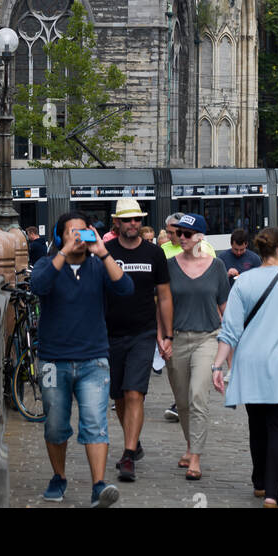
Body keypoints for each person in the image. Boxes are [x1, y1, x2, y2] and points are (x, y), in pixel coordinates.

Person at [31, 209, 134, 507]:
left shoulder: (99, 266)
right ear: (59, 236)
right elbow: (39, 286)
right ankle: (59, 476)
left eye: (82, 231)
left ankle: (99, 485)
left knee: (95, 423)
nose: (77, 237)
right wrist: (62, 252)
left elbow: (125, 288)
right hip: (54, 360)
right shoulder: (46, 263)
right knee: (55, 424)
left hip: (94, 360)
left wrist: (102, 252)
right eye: (70, 232)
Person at [211, 227, 278, 508]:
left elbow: (230, 330)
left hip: (252, 363)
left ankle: (260, 481)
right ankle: (273, 493)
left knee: (257, 425)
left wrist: (217, 365)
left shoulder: (244, 282)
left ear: (258, 251)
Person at [103, 197, 172, 483]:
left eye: (137, 219)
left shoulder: (154, 254)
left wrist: (166, 335)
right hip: (110, 334)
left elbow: (165, 296)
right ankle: (135, 440)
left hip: (143, 333)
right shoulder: (105, 252)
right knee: (119, 396)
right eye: (128, 219)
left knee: (134, 393)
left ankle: (128, 454)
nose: (133, 224)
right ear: (116, 222)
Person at [164, 213, 229, 480]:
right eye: (178, 233)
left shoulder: (217, 267)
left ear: (200, 236)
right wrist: (162, 336)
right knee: (182, 402)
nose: (180, 238)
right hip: (177, 338)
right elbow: (161, 305)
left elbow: (226, 310)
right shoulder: (168, 265)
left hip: (207, 338)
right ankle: (190, 445)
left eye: (186, 234)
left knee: (197, 397)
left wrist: (229, 353)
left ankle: (196, 458)